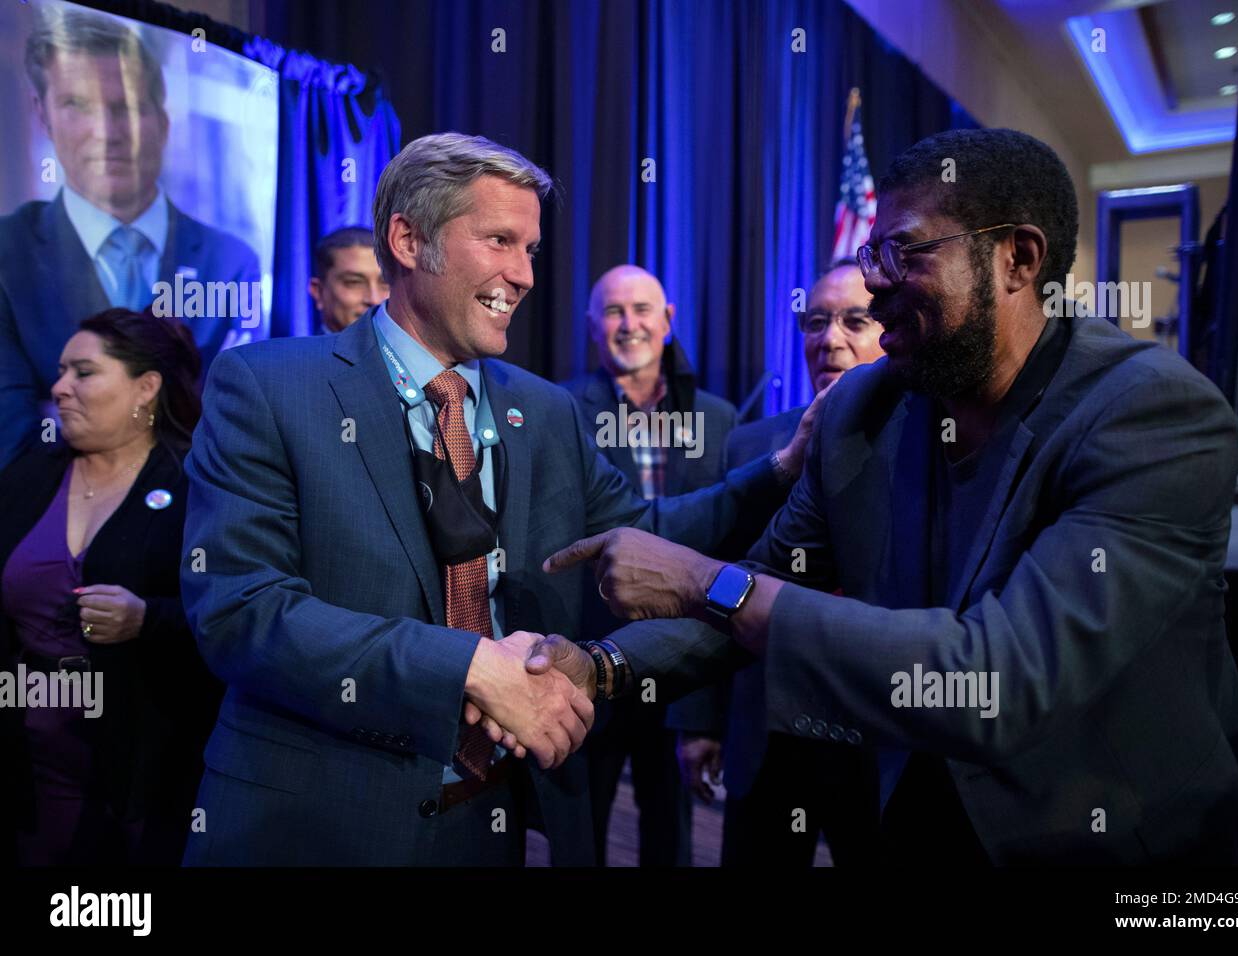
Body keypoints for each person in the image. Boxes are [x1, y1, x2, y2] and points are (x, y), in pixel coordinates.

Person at [541, 128, 1238, 865]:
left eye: (904, 251)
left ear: (1017, 259)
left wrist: (705, 579)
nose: (874, 280)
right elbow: (768, 580)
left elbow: (996, 678)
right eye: (874, 253)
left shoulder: (1152, 412)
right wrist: (594, 665)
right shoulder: (865, 410)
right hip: (922, 826)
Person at [179, 132, 813, 866]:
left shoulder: (544, 412)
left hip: (493, 828)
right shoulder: (267, 386)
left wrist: (779, 469)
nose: (524, 274)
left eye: (531, 250)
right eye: (500, 241)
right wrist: (470, 667)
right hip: (314, 829)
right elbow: (241, 610)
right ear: (409, 241)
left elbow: (644, 536)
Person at [677, 258, 885, 866]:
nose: (830, 339)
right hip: (767, 733)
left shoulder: (934, 438)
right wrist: (700, 721)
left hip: (881, 733)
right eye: (816, 322)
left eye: (855, 320)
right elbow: (715, 583)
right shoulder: (750, 445)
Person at [0, 308, 222, 866]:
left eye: (83, 372)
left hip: (145, 765)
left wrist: (147, 618)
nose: (59, 388)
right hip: (30, 763)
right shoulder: (29, 475)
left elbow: (233, 614)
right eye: (60, 372)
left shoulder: (198, 486)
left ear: (146, 388)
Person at [0, 5, 260, 471]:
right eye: (78, 105)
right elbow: (10, 436)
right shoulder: (7, 252)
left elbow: (230, 426)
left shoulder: (230, 262)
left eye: (127, 107)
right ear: (43, 116)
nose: (108, 133)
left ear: (162, 121)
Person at [564, 264, 736, 866]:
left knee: (674, 841)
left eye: (642, 310)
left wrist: (709, 711)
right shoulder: (558, 412)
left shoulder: (720, 420)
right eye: (613, 311)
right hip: (586, 662)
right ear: (592, 326)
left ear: (667, 323)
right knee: (580, 836)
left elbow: (731, 545)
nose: (628, 324)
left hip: (684, 668)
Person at [309, 227, 389, 333]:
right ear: (318, 292)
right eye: (354, 282)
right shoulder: (296, 349)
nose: (374, 299)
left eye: (386, 283)